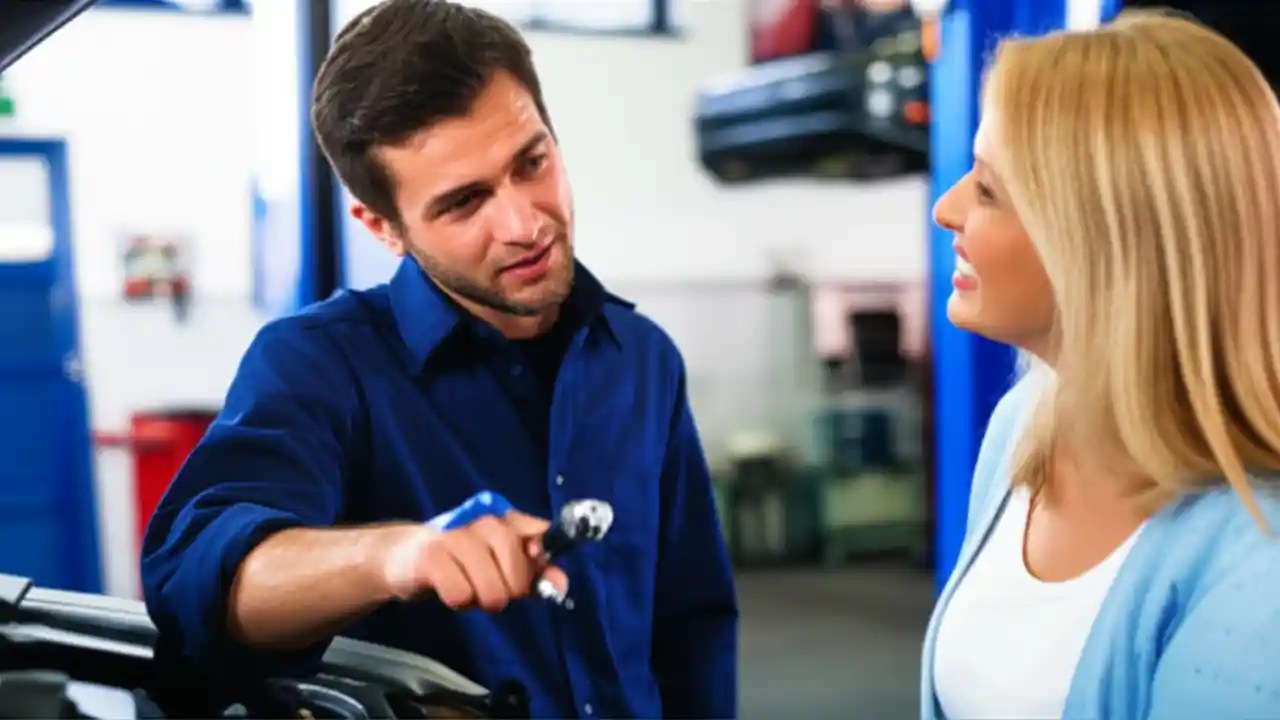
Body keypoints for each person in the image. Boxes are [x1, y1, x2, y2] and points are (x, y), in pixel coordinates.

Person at [138, 1, 738, 717]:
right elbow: (198, 583)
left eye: (532, 163)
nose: (524, 224)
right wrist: (400, 556)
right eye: (464, 203)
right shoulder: (323, 365)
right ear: (383, 226)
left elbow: (691, 626)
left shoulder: (641, 359)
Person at [920, 10, 1280, 720]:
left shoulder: (1257, 563)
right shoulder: (1024, 425)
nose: (947, 209)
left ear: (1104, 244)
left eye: (987, 190)